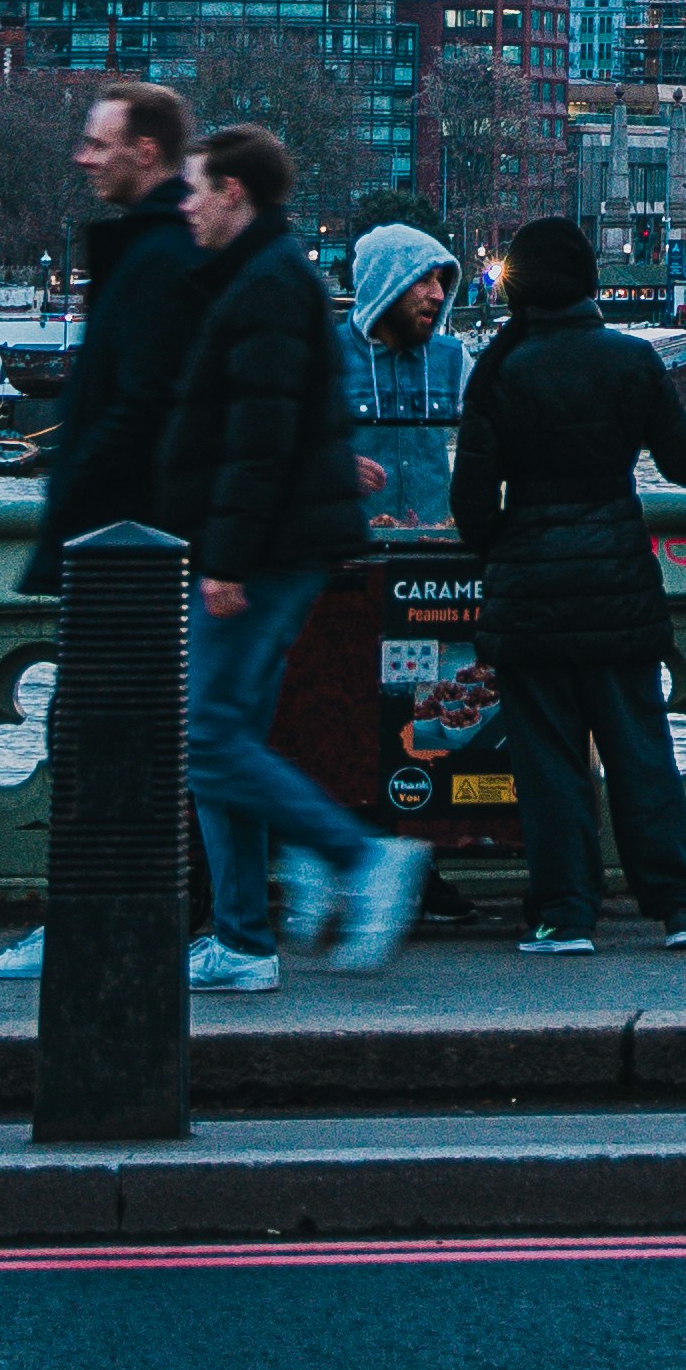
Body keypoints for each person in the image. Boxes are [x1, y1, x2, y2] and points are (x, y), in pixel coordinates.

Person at [0, 84, 249, 991]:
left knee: (103, 737)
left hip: (133, 551)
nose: (82, 157)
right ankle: (170, 918)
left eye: (98, 143)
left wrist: (83, 501)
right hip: (135, 544)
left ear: (146, 150)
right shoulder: (158, 249)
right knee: (143, 740)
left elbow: (147, 410)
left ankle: (109, 923)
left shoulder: (161, 256)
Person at [179, 125, 434, 971]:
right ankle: (245, 935)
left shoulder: (262, 284)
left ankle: (355, 857)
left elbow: (258, 434)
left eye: (196, 189)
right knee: (228, 738)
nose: (186, 205)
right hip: (282, 538)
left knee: (210, 737)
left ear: (234, 195)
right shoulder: (273, 279)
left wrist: (226, 555)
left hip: (262, 548)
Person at [450, 211, 686, 953]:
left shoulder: (498, 369)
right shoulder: (632, 363)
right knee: (640, 748)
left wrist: (508, 550)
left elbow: (471, 505)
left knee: (549, 758)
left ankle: (566, 911)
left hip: (530, 591)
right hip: (619, 581)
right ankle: (678, 907)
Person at [332, 223, 475, 541]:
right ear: (385, 284)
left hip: (436, 553)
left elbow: (491, 445)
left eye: (441, 280)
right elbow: (279, 453)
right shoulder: (324, 355)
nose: (438, 294)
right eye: (424, 279)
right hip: (352, 554)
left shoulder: (454, 358)